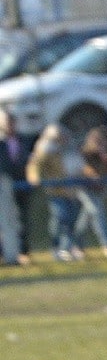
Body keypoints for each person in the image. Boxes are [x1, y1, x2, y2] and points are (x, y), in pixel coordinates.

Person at [26, 125, 81, 261]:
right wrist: (35, 178)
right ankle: (56, 247)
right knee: (61, 218)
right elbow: (35, 165)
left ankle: (67, 247)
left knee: (71, 221)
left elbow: (77, 165)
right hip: (56, 191)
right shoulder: (46, 150)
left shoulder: (69, 149)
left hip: (71, 191)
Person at [76, 125, 107, 260]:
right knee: (97, 213)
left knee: (86, 217)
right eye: (98, 141)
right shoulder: (85, 153)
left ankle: (76, 245)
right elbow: (83, 169)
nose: (101, 144)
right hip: (84, 188)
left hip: (100, 189)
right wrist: (93, 174)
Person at [0, 106, 26, 266]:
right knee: (8, 221)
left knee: (9, 221)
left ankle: (11, 256)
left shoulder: (11, 140)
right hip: (3, 181)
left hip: (5, 181)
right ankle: (10, 256)